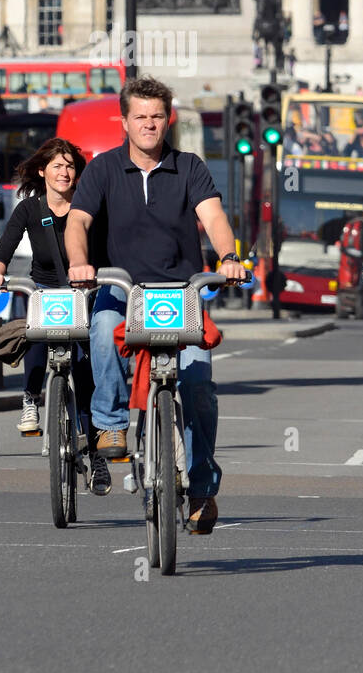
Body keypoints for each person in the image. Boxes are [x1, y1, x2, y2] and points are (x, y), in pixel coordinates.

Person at [65, 76, 247, 535]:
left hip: (180, 294)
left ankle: (203, 488)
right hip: (123, 289)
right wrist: (81, 263)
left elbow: (214, 218)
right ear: (124, 121)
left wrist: (228, 258)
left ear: (169, 120)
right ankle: (110, 424)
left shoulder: (189, 167)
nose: (149, 124)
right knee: (103, 327)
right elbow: (78, 223)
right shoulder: (103, 169)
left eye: (157, 116)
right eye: (140, 116)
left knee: (200, 384)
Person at [0, 137, 111, 497]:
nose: (64, 172)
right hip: (46, 290)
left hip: (87, 291)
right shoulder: (29, 209)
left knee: (87, 376)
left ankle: (96, 455)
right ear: (43, 171)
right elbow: (4, 248)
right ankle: (30, 398)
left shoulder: (88, 207)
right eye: (57, 165)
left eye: (70, 165)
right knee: (38, 334)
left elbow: (109, 244)